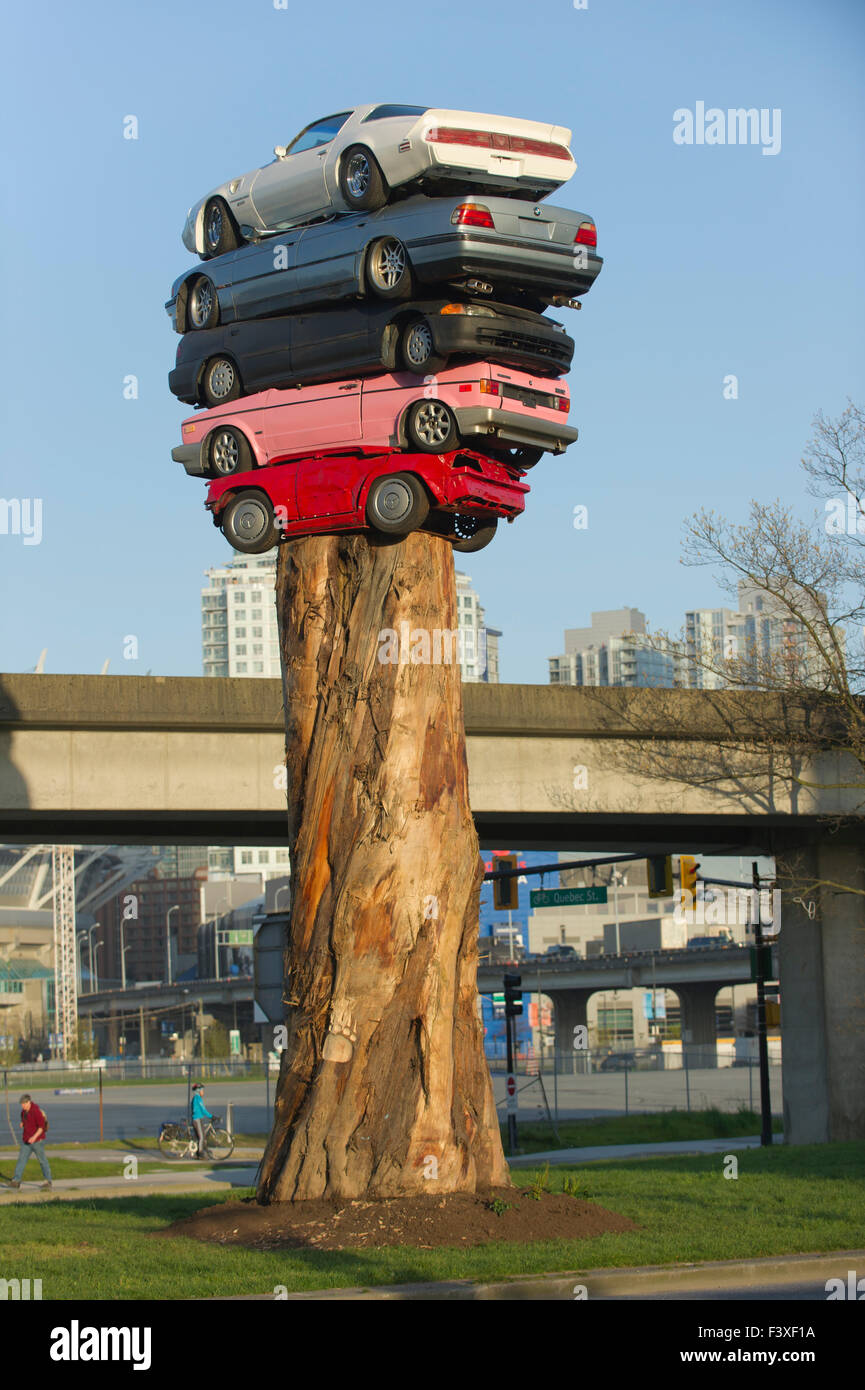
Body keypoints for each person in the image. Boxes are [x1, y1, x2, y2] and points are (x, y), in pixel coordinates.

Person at [9, 1094, 52, 1190]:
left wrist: (34, 1137)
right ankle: (16, 1181)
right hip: (26, 1141)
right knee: (21, 1160)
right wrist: (22, 1123)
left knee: (42, 1161)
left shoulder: (36, 1111)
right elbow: (25, 1121)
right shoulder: (23, 1112)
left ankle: (48, 1181)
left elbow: (41, 1127)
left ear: (29, 1102)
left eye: (24, 1103)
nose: (22, 1105)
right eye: (21, 1104)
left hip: (37, 1141)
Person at [190, 1083, 213, 1159]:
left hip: (198, 1119)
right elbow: (203, 1110)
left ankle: (197, 1153)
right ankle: (200, 1153)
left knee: (199, 1137)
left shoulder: (196, 1098)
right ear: (198, 1091)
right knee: (202, 1137)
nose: (203, 1092)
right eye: (202, 1090)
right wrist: (211, 1116)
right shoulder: (197, 1098)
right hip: (197, 1120)